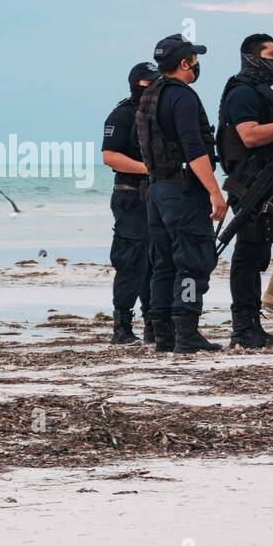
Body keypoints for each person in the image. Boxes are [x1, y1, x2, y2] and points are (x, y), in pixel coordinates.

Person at [216, 34, 273, 348]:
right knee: (246, 254)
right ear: (253, 57)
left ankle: (251, 325)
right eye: (272, 53)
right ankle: (243, 328)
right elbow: (250, 136)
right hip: (248, 182)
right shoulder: (242, 92)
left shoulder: (259, 90)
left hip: (266, 180)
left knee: (257, 254)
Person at [136, 34, 226, 354]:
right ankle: (187, 331)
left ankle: (162, 334)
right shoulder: (182, 97)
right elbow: (194, 149)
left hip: (155, 190)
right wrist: (215, 192)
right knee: (192, 262)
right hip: (182, 191)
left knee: (163, 264)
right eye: (195, 59)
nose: (198, 65)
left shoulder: (150, 95)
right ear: (185, 63)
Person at [102, 61, 159, 344]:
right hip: (130, 195)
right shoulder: (122, 114)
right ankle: (122, 327)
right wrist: (148, 169)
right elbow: (109, 156)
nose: (152, 88)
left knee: (156, 260)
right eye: (147, 83)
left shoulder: (159, 113)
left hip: (158, 194)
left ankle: (154, 323)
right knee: (131, 261)